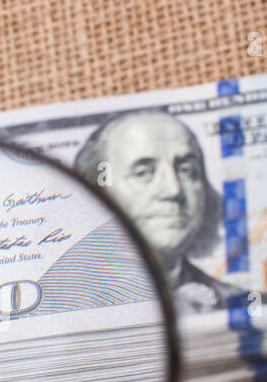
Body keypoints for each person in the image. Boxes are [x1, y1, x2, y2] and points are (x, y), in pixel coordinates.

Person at [74, 111, 241, 312]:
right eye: (143, 172)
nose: (173, 190)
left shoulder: (238, 301)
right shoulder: (59, 306)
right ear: (95, 189)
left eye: (187, 170)